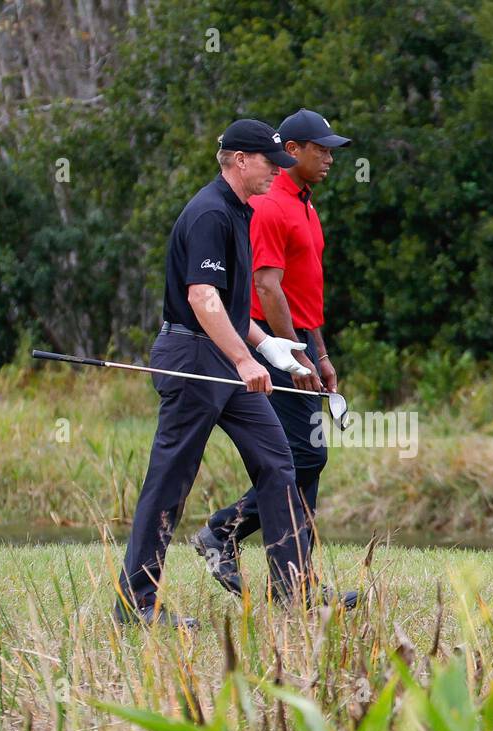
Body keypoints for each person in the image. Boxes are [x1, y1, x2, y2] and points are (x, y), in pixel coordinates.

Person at [115, 119, 321, 629]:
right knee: (169, 481)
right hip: (193, 361)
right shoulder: (210, 212)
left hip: (222, 354)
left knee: (279, 462)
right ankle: (137, 604)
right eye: (271, 163)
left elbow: (227, 308)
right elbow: (201, 299)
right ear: (241, 160)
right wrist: (246, 360)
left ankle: (292, 590)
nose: (278, 172)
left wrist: (268, 345)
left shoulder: (239, 212)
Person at [193, 109, 354, 603]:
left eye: (331, 149)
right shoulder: (270, 205)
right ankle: (234, 539)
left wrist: (321, 354)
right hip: (273, 346)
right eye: (320, 148)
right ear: (294, 150)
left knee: (300, 460)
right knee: (302, 456)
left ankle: (287, 578)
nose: (328, 157)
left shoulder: (306, 205)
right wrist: (295, 357)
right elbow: (266, 285)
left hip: (300, 338)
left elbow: (307, 292)